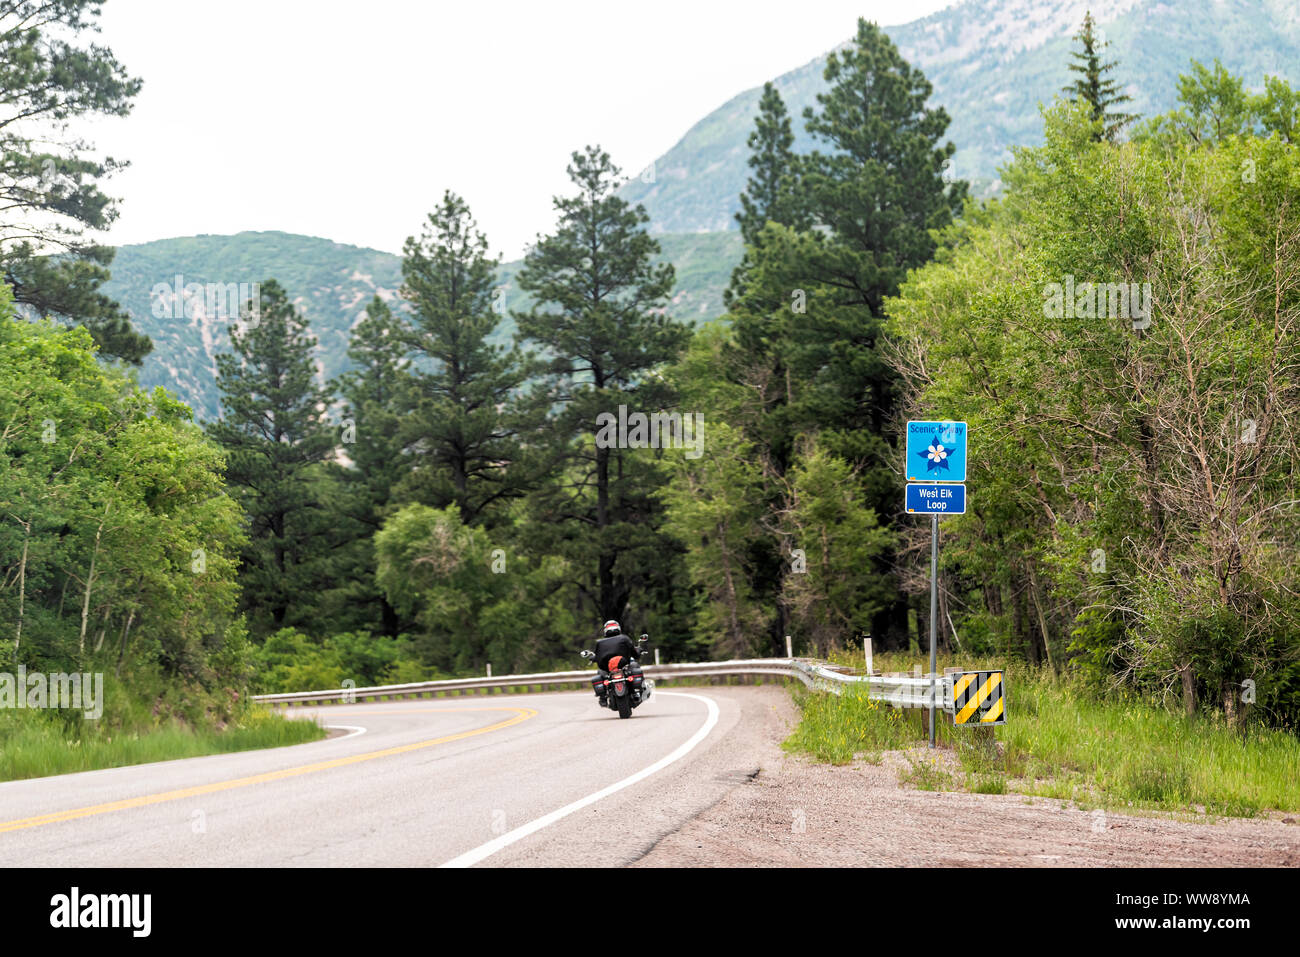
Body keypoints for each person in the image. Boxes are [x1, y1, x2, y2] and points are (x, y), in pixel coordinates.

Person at [590, 620, 645, 704]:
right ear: (618, 628)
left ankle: (603, 698)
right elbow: (633, 651)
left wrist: (593, 658)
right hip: (623, 664)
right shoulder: (624, 638)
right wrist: (638, 652)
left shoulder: (599, 642)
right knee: (635, 665)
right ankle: (637, 691)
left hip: (608, 668)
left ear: (605, 630)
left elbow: (597, 656)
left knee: (600, 673)